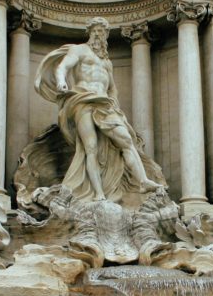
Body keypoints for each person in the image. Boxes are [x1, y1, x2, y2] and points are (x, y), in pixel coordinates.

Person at [34, 17, 162, 203]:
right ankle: (98, 194)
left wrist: (116, 108)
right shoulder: (79, 50)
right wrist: (61, 80)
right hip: (82, 101)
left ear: (106, 36)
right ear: (89, 32)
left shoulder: (107, 63)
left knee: (126, 140)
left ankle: (142, 181)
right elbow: (63, 66)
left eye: (101, 31)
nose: (97, 34)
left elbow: (112, 89)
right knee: (90, 147)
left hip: (105, 104)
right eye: (95, 31)